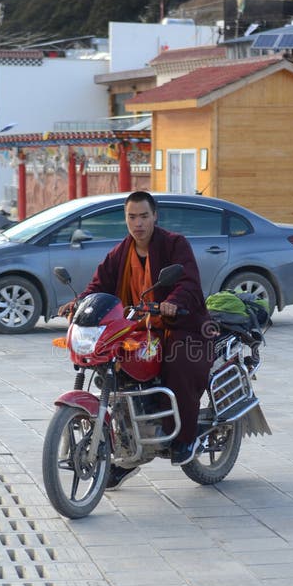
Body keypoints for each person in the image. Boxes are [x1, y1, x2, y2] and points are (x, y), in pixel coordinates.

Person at [62, 191, 213, 488]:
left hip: (178, 324)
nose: (138, 223)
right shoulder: (121, 252)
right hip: (137, 327)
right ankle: (125, 453)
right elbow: (99, 284)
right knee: (113, 370)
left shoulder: (174, 244)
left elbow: (188, 283)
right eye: (132, 217)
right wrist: (79, 303)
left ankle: (184, 438)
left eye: (144, 216)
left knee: (178, 365)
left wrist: (172, 302)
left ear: (155, 216)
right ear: (126, 219)